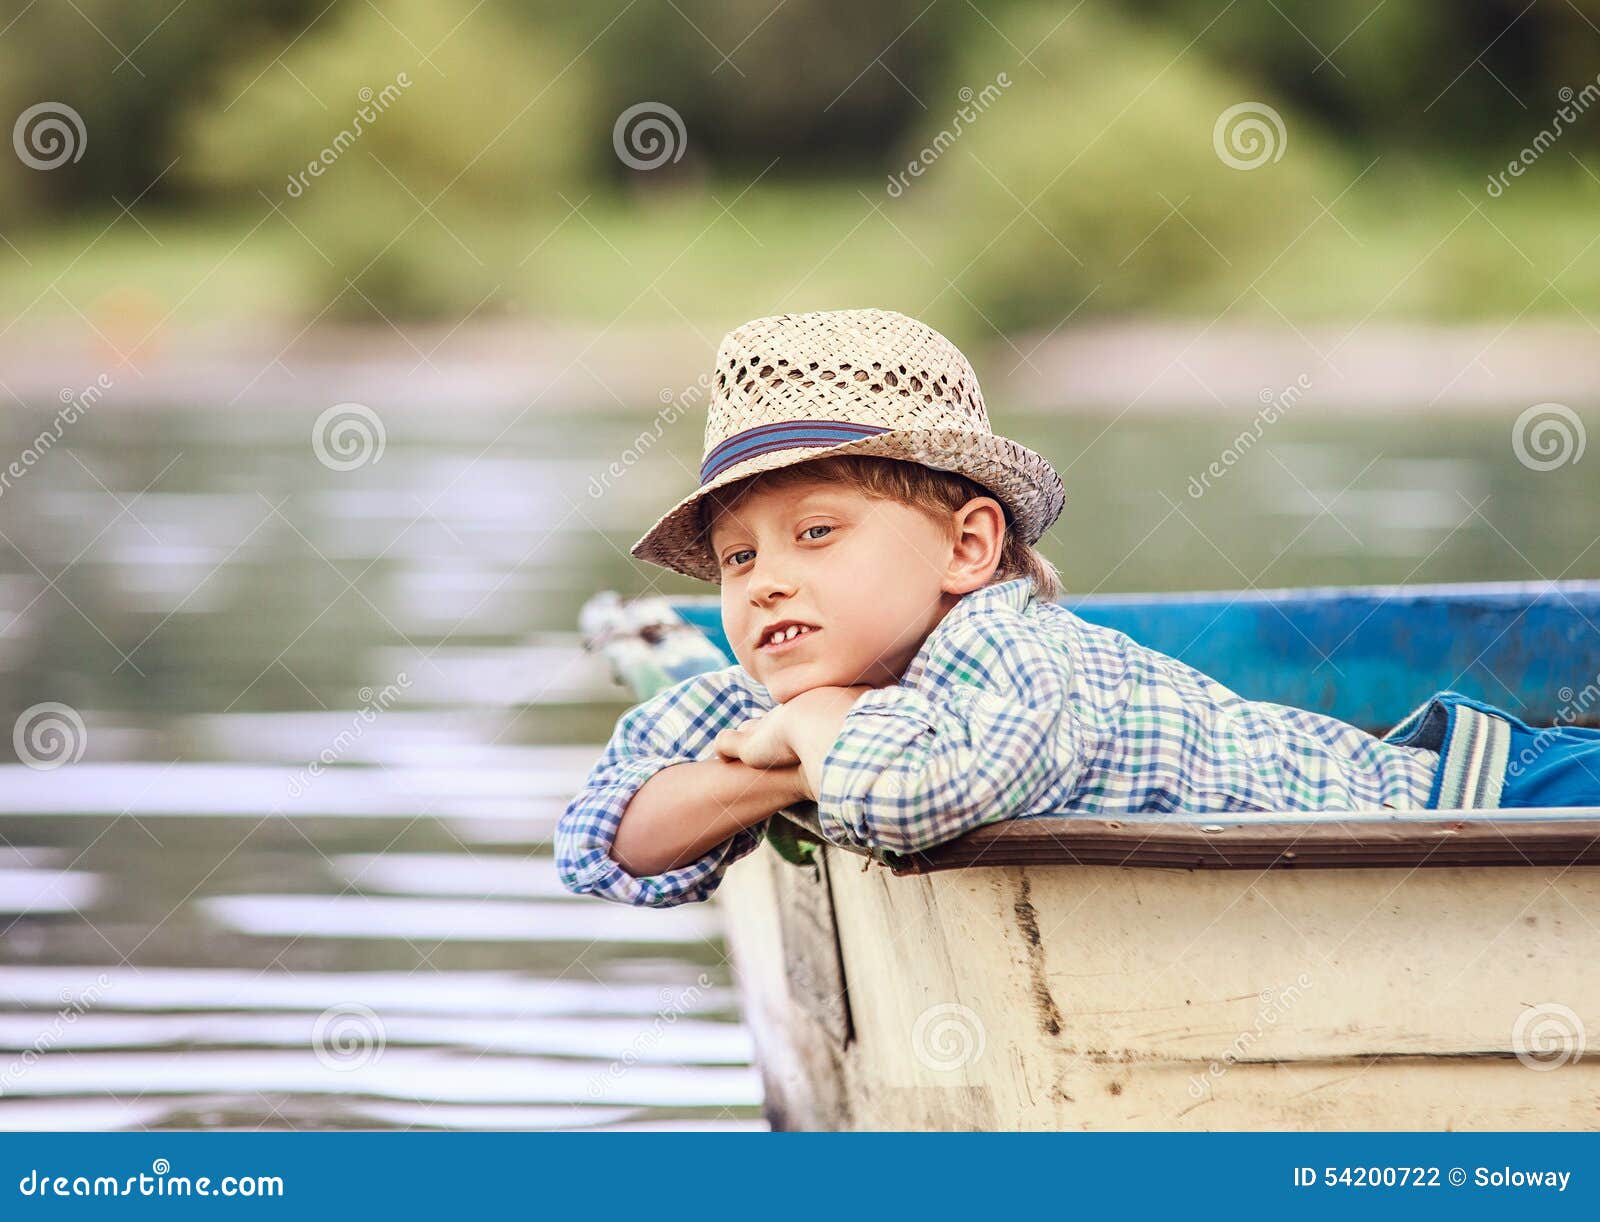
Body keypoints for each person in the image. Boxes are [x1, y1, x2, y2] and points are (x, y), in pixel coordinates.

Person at [557, 308, 1599, 908]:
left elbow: (915, 798)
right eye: (737, 556)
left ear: (968, 548)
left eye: (816, 532)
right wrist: (783, 754)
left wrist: (813, 726)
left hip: (1484, 802)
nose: (764, 580)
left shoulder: (1010, 650)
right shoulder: (789, 672)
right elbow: (605, 838)